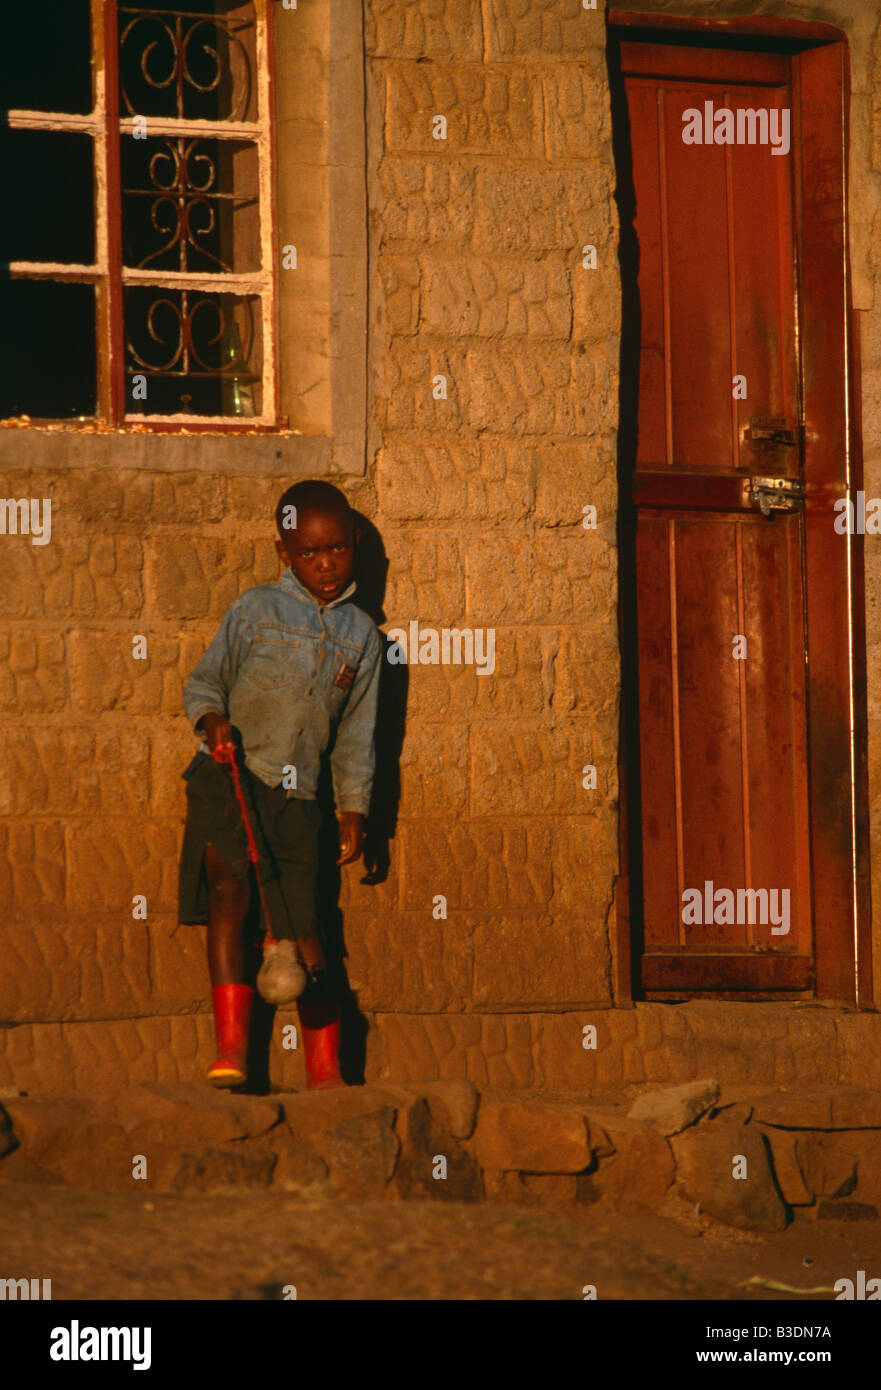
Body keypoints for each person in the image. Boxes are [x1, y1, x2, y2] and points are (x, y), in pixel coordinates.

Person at [177, 480, 382, 1090]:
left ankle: (325, 1074)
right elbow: (205, 683)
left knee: (305, 928)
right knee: (228, 896)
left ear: (354, 549)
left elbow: (356, 735)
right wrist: (213, 721)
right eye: (309, 553)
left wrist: (353, 806)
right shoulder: (254, 610)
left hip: (298, 799)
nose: (326, 564)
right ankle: (232, 1050)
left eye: (338, 550)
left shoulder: (362, 636)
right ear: (283, 553)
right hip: (231, 775)